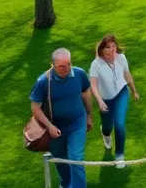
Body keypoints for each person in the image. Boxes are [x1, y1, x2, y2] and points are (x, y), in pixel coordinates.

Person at [30, 49, 93, 188]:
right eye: (62, 66)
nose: (67, 69)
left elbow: (85, 92)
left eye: (69, 64)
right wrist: (50, 126)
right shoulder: (43, 81)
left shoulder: (79, 74)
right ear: (53, 65)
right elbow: (35, 108)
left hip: (77, 122)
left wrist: (89, 114)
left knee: (76, 158)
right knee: (60, 160)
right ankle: (65, 184)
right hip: (55, 127)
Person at [89, 35, 140, 169]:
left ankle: (119, 156)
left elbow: (127, 74)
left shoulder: (121, 58)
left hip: (122, 93)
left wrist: (134, 91)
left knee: (119, 125)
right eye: (108, 47)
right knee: (107, 126)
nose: (112, 50)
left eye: (113, 47)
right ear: (102, 49)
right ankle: (105, 134)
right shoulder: (96, 64)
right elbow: (93, 85)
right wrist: (99, 101)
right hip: (105, 99)